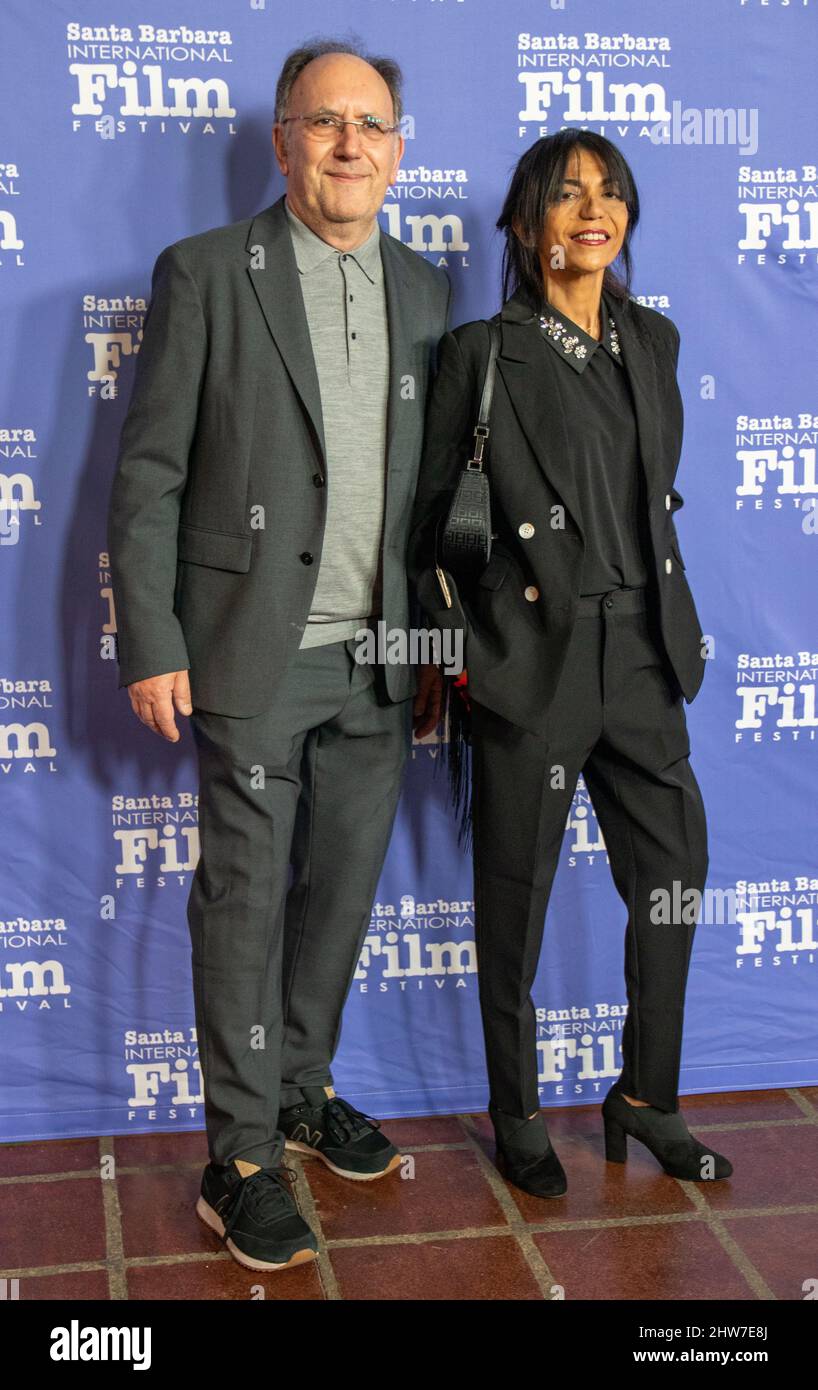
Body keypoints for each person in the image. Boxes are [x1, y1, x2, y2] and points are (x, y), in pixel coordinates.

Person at [107, 38, 447, 1272]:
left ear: (397, 149)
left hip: (378, 657)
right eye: (323, 122)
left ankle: (302, 1086)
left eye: (369, 124)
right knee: (245, 901)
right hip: (250, 653)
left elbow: (426, 501)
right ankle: (238, 1153)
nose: (348, 144)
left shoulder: (424, 289)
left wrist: (422, 658)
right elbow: (148, 475)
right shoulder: (206, 273)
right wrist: (153, 637)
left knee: (341, 893)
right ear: (281, 141)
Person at [408, 131, 732, 1199]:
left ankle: (647, 1096)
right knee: (516, 900)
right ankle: (516, 1110)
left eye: (607, 193)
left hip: (642, 652)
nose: (589, 210)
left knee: (673, 879)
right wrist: (458, 658)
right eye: (562, 195)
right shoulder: (480, 354)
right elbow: (430, 534)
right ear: (521, 225)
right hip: (530, 668)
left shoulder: (655, 341)